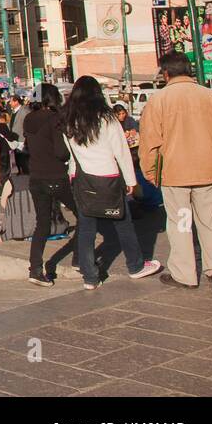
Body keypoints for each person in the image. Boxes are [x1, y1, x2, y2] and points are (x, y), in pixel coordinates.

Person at [138, 52, 212, 288]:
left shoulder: (158, 101)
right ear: (189, 70)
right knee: (211, 221)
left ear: (166, 73)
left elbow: (149, 143)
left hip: (174, 173)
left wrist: (150, 173)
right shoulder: (211, 97)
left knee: (181, 224)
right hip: (209, 169)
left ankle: (185, 274)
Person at [64, 76, 163, 289]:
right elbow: (121, 151)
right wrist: (131, 180)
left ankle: (90, 277)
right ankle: (136, 266)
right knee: (123, 224)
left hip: (82, 180)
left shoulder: (69, 120)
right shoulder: (107, 118)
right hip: (108, 177)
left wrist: (73, 176)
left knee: (87, 229)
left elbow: (71, 155)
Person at [23, 83, 78, 286]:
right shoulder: (54, 119)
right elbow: (62, 152)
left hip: (36, 177)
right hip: (55, 176)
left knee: (42, 224)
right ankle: (79, 259)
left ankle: (35, 269)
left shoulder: (28, 119)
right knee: (83, 215)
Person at [8, 94, 31, 172]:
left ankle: (25, 172)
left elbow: (27, 125)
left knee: (23, 158)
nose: (9, 103)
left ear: (16, 101)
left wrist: (26, 138)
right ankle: (20, 171)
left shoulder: (24, 111)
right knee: (18, 157)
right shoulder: (13, 111)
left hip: (22, 138)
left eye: (11, 101)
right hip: (15, 139)